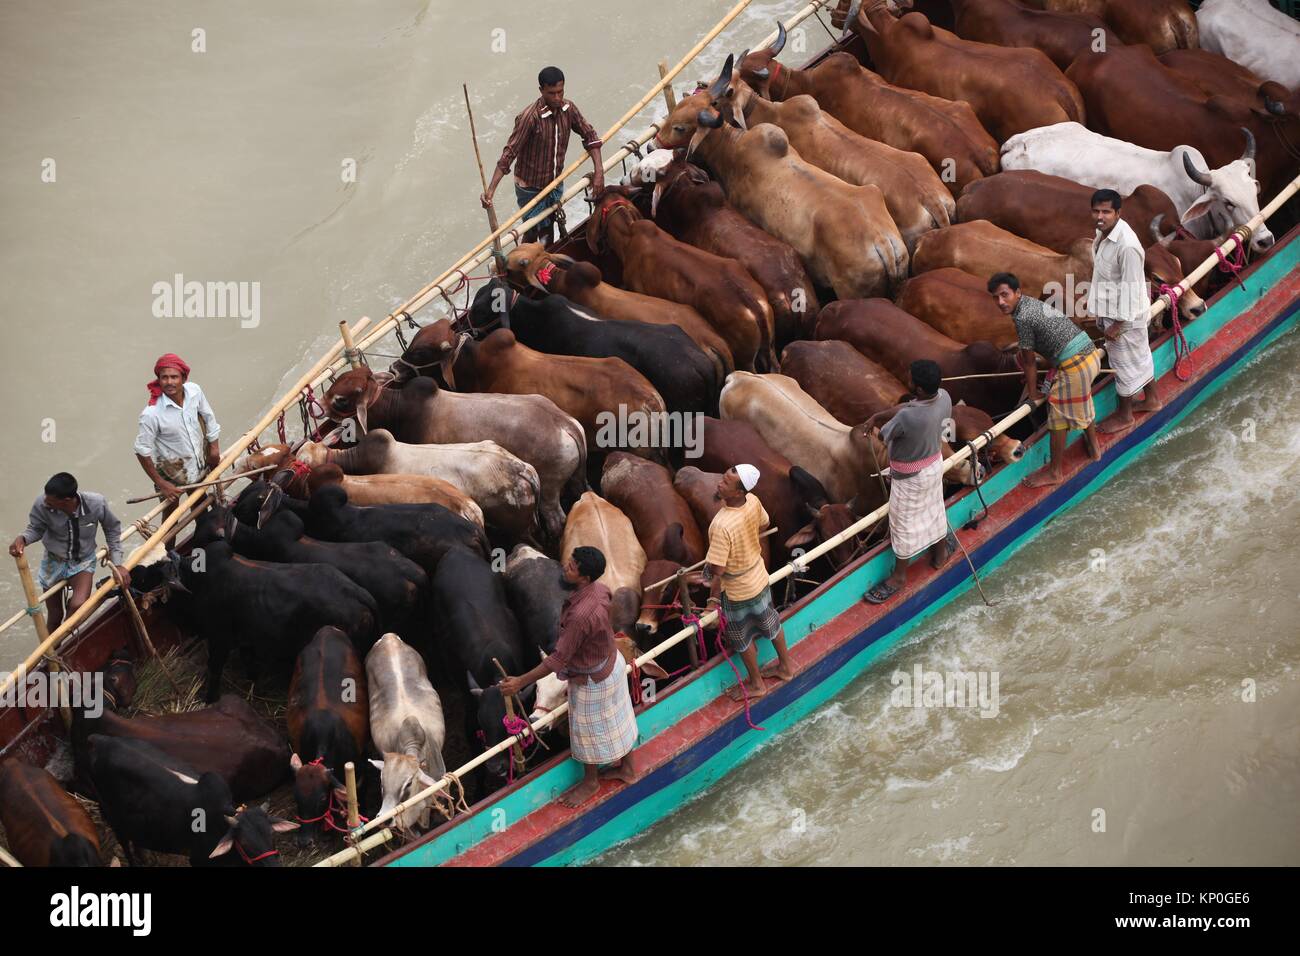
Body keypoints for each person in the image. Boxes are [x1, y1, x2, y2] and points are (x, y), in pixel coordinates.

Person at [499, 547, 638, 807]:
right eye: (569, 562)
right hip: (611, 663)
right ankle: (628, 768)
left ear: (585, 577)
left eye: (572, 567)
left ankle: (590, 782)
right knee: (619, 717)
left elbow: (557, 660)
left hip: (591, 680)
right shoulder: (601, 590)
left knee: (586, 732)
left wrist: (520, 681)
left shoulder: (579, 616)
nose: (566, 567)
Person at [861, 360, 959, 604]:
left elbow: (885, 435)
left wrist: (875, 422)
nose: (908, 379)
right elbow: (910, 406)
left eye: (911, 378)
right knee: (934, 509)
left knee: (902, 523)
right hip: (934, 464)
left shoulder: (907, 417)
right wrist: (879, 414)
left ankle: (899, 576)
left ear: (918, 389)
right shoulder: (944, 396)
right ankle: (939, 555)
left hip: (909, 478)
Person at [481, 66, 605, 244]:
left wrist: (598, 171)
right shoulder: (529, 118)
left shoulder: (568, 109)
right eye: (551, 93)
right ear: (541, 91)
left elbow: (590, 137)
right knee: (532, 231)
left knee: (548, 227)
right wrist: (491, 190)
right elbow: (509, 154)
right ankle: (527, 265)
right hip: (530, 188)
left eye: (560, 92)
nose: (557, 98)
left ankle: (544, 260)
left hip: (554, 183)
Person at [704, 465, 794, 702]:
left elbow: (719, 569)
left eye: (725, 483)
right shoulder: (752, 500)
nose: (719, 484)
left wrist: (706, 571)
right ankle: (785, 667)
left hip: (737, 591)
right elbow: (763, 523)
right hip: (758, 575)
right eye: (722, 478)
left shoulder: (721, 524)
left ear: (737, 493)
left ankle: (756, 684)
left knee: (740, 638)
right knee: (771, 621)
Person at [9, 473, 128, 631]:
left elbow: (112, 530)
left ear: (65, 501)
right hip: (54, 560)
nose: (45, 501)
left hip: (83, 561)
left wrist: (118, 563)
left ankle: (65, 639)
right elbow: (36, 529)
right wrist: (22, 539)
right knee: (55, 615)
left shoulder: (96, 503)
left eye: (50, 500)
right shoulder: (42, 504)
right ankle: (51, 653)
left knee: (77, 605)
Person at [1088, 187, 1161, 434]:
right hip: (1114, 308)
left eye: (1106, 211)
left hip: (1124, 315)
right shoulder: (1102, 234)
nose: (1100, 216)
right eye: (1096, 211)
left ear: (1118, 212)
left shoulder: (1127, 245)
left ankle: (1125, 415)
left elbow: (1131, 286)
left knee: (1124, 363)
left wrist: (1118, 324)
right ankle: (1151, 400)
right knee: (1139, 355)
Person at [133, 353, 222, 507]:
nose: (169, 382)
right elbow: (141, 451)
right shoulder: (151, 414)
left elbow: (208, 417)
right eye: (164, 378)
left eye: (174, 377)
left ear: (183, 378)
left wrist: (214, 449)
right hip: (170, 474)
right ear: (159, 380)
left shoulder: (194, 391)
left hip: (196, 464)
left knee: (200, 505)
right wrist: (161, 483)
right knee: (171, 518)